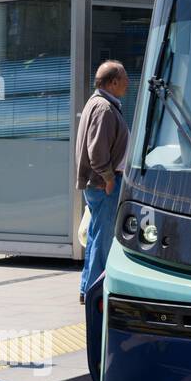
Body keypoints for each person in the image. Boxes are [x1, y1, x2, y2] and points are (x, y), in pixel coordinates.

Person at [77, 61, 130, 303]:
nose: (128, 82)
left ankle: (87, 287)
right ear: (113, 82)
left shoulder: (99, 104)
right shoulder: (104, 109)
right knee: (101, 238)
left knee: (98, 235)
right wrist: (109, 178)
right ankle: (94, 291)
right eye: (124, 77)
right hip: (104, 184)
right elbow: (97, 152)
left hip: (101, 183)